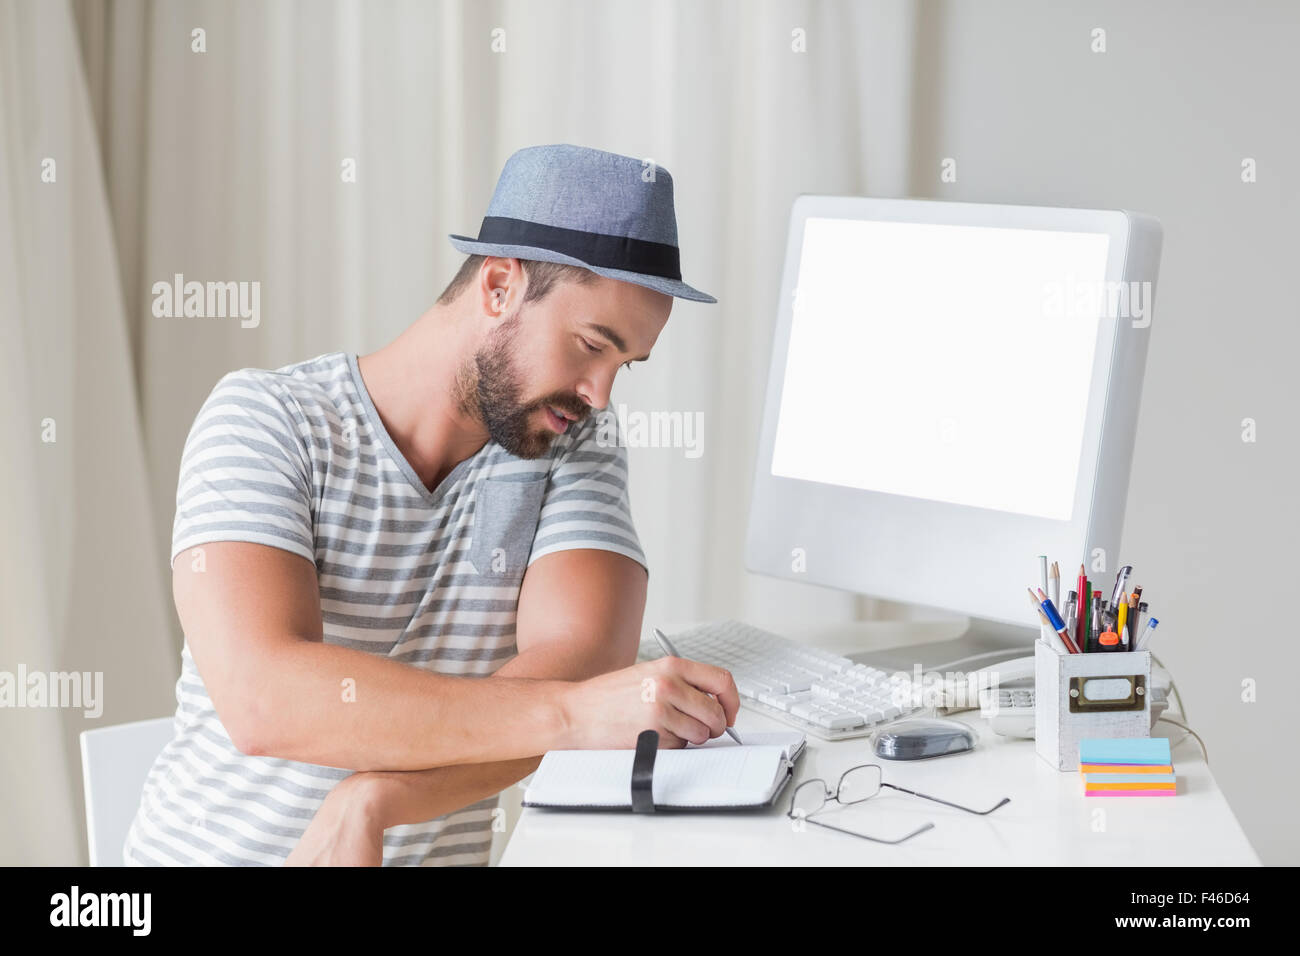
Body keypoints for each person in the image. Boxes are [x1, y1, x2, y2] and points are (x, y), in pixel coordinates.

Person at [124, 144, 735, 866]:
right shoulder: (265, 420)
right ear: (500, 285)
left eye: (622, 365)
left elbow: (577, 668)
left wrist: (374, 798)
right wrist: (571, 715)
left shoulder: (575, 444)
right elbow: (265, 699)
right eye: (591, 346)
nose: (600, 394)